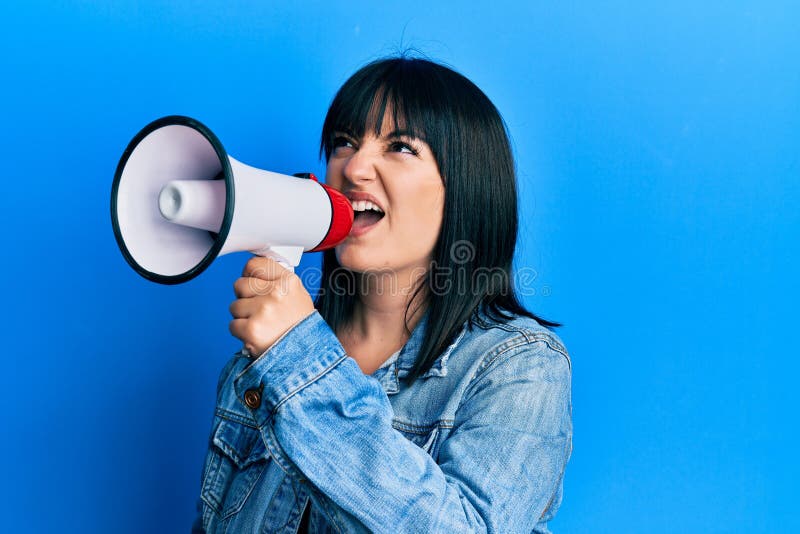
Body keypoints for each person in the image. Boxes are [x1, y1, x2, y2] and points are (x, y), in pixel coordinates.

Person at [192, 56, 572, 533]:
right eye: (343, 143)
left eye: (400, 147)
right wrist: (283, 357)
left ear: (465, 187)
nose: (353, 167)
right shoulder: (258, 363)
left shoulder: (517, 367)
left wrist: (296, 360)